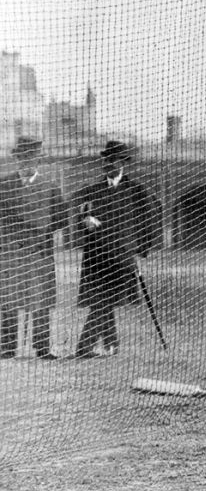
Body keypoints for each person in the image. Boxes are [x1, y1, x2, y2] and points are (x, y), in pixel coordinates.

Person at [73, 140, 162, 358]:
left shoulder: (137, 192)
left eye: (114, 161)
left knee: (106, 300)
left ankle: (86, 347)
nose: (109, 165)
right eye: (106, 161)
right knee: (101, 300)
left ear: (123, 164)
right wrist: (85, 221)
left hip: (122, 256)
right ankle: (109, 346)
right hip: (96, 256)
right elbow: (78, 217)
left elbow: (151, 220)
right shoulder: (91, 191)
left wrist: (139, 249)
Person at [0, 137, 69, 360]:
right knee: (8, 299)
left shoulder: (50, 188)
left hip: (40, 252)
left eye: (31, 158)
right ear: (17, 160)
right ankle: (7, 347)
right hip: (11, 251)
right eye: (23, 158)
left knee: (41, 300)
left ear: (38, 160)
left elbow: (61, 219)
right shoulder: (3, 185)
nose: (27, 163)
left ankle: (42, 347)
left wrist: (43, 233)